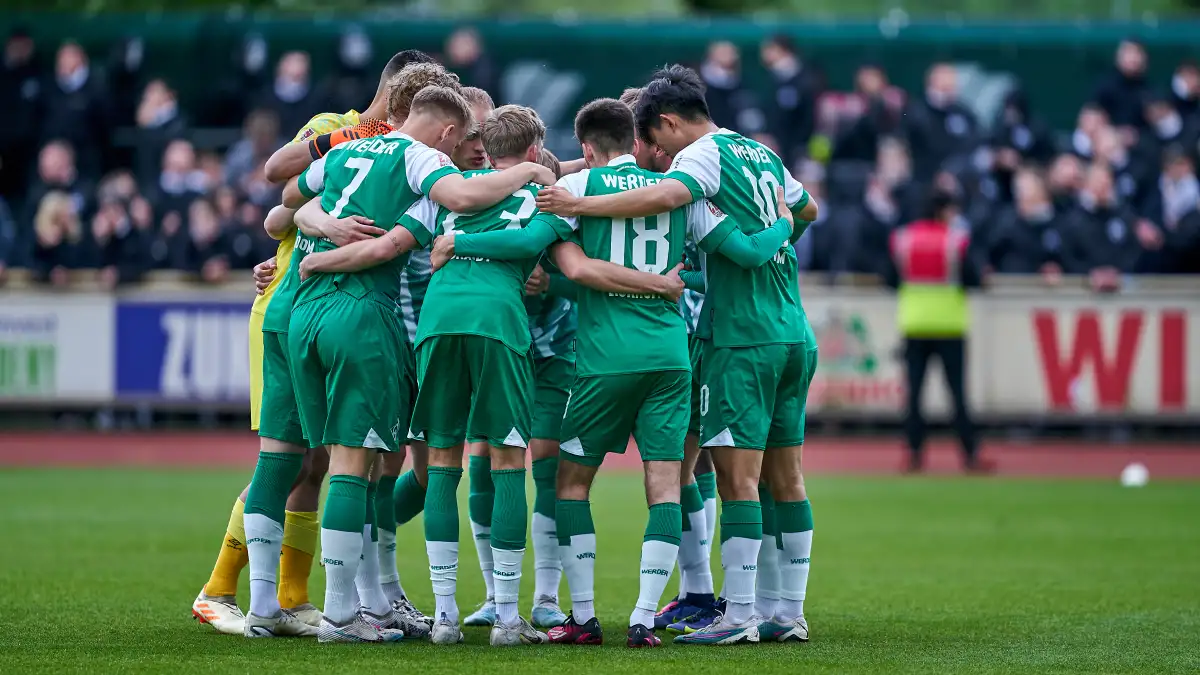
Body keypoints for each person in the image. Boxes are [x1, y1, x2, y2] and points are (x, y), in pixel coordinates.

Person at [535, 65, 819, 646]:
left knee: (737, 480)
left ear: (667, 123)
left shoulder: (699, 161)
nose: (653, 153)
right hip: (793, 328)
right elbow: (806, 209)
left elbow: (671, 198)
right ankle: (785, 611)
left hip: (740, 335)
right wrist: (779, 234)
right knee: (784, 479)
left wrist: (582, 205)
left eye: (655, 139)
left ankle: (737, 612)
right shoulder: (758, 151)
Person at [286, 94, 556, 644]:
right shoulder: (447, 173)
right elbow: (528, 234)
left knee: (422, 464)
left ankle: (436, 615)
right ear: (449, 131)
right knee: (500, 460)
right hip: (437, 322)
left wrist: (314, 250)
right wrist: (535, 176)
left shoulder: (366, 156)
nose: (460, 150)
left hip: (386, 320)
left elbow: (285, 200)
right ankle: (503, 616)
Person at [190, 50, 437, 638]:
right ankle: (221, 588)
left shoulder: (402, 153)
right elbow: (279, 189)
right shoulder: (336, 129)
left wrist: (314, 230)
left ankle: (291, 599)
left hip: (314, 298)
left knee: (316, 459)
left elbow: (285, 219)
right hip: (295, 303)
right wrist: (324, 230)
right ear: (405, 106)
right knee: (293, 454)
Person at [884, 187, 987, 474]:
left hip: (914, 324)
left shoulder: (904, 239)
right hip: (950, 326)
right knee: (957, 394)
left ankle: (914, 455)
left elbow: (890, 279)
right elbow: (974, 278)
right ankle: (969, 455)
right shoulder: (956, 241)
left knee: (914, 395)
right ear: (944, 211)